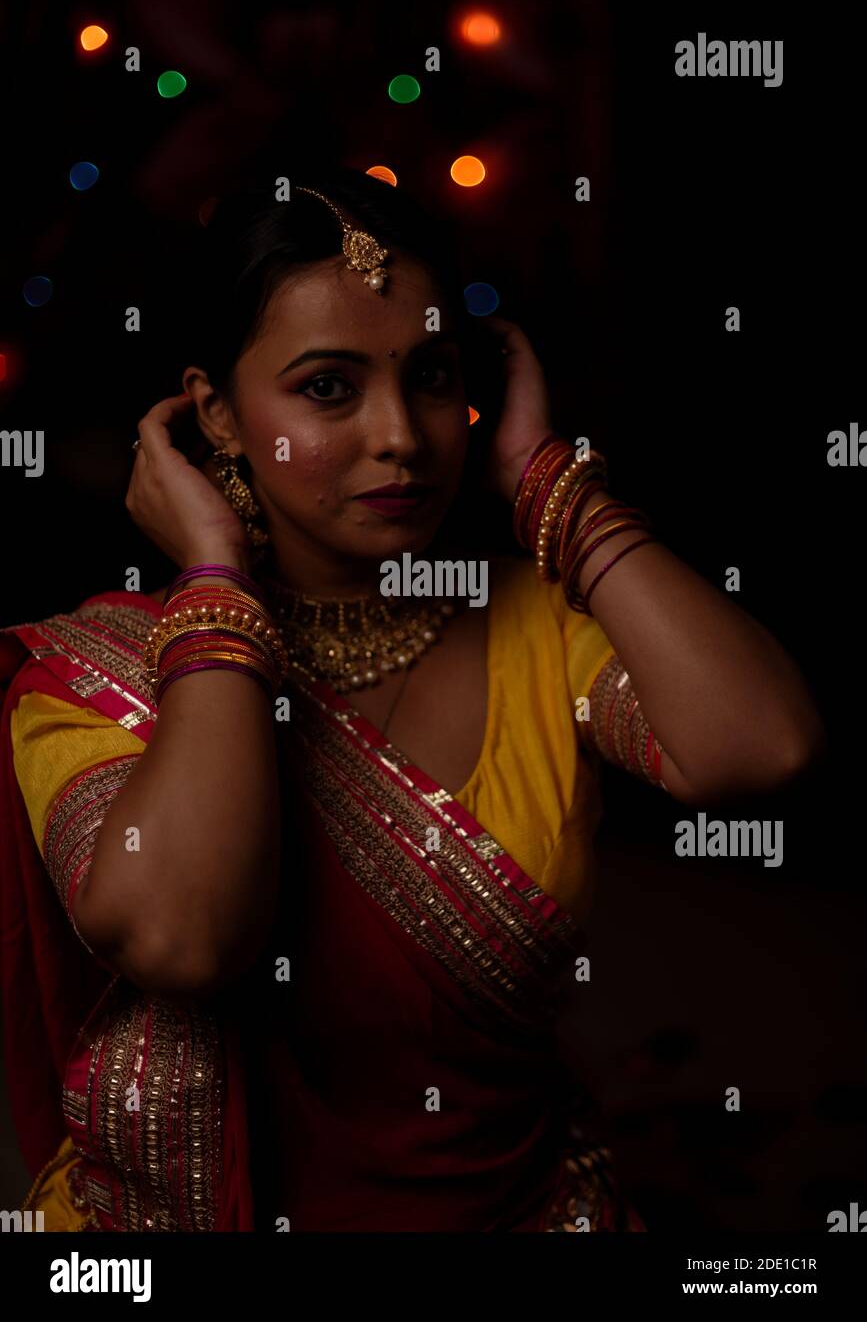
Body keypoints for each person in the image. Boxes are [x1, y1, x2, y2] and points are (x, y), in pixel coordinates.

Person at [0, 167, 826, 1231]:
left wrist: (551, 486)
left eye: (431, 375)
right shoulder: (94, 674)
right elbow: (184, 937)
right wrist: (213, 579)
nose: (401, 434)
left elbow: (764, 745)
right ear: (216, 412)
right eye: (329, 386)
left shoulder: (534, 627)